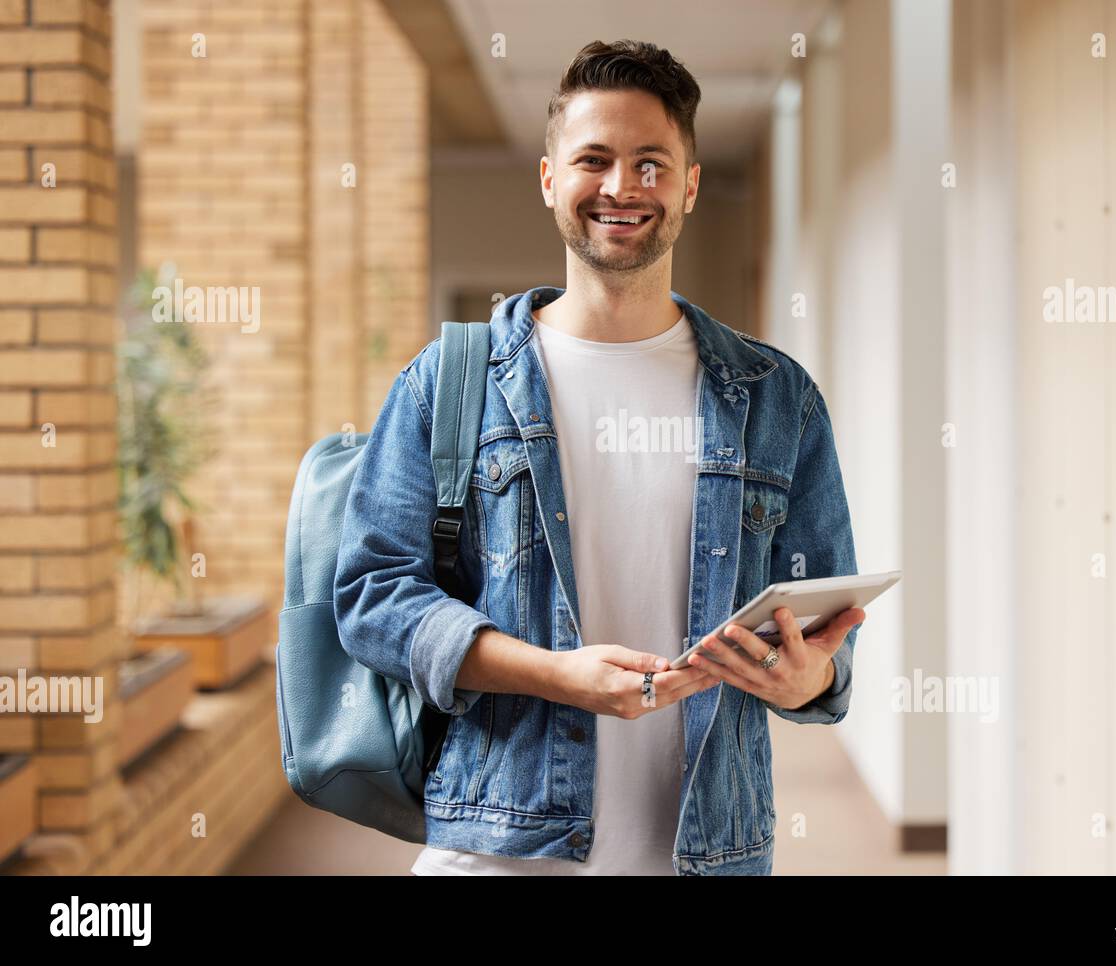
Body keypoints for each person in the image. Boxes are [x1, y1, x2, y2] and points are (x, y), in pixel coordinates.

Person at [334, 39, 864, 877]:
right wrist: (555, 676)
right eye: (595, 159)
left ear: (689, 184)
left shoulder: (775, 398)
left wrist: (803, 681)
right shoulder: (452, 380)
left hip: (707, 854)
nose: (622, 187)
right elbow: (372, 594)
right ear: (551, 179)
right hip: (501, 850)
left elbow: (823, 645)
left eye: (651, 163)